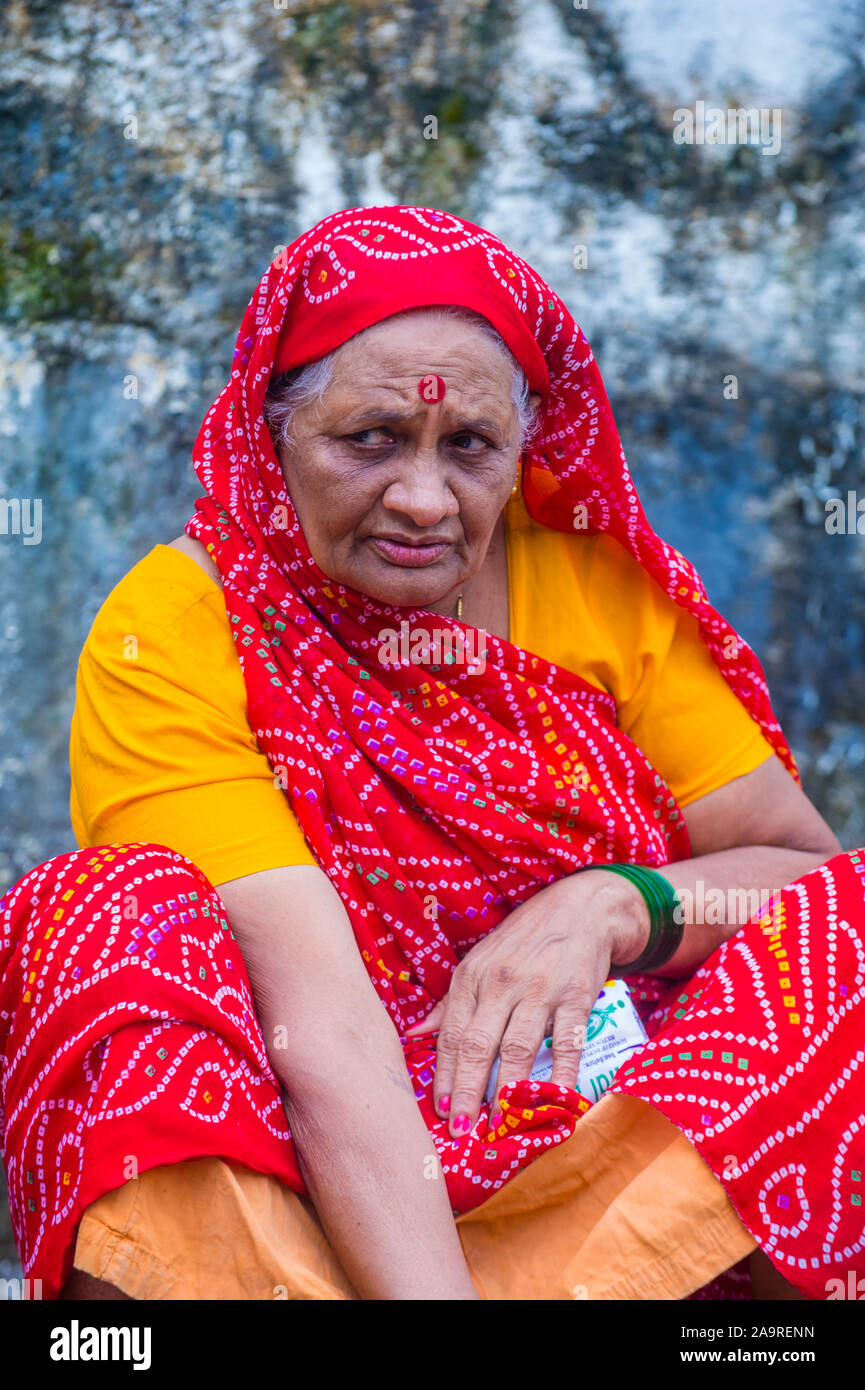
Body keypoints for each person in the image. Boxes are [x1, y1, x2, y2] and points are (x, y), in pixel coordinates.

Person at [1, 206, 858, 1302]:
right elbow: (318, 1023)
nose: (422, 498)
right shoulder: (175, 627)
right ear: (271, 438)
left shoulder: (589, 585)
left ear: (522, 448)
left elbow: (800, 878)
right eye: (369, 440)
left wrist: (608, 905)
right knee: (97, 915)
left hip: (600, 1182)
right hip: (300, 1205)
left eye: (467, 447)